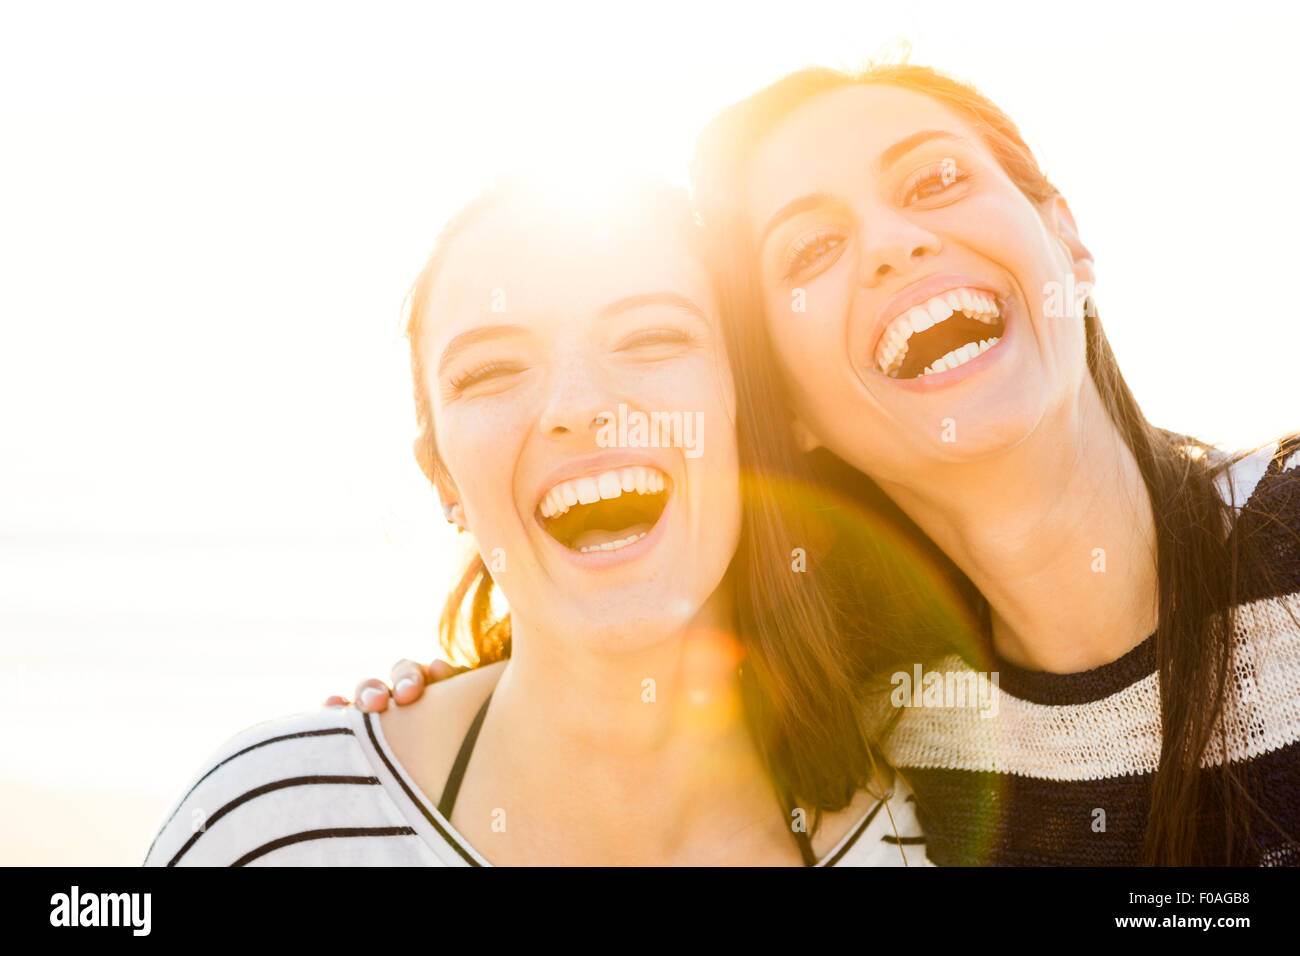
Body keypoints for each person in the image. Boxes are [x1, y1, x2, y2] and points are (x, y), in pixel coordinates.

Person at [347, 62, 1300, 866]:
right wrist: (407, 733)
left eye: (933, 182)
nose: (895, 244)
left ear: (1067, 237)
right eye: (812, 249)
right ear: (789, 409)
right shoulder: (887, 736)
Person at [143, 179, 928, 867]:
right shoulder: (271, 828)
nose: (580, 407)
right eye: (490, 371)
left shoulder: (924, 832)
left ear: (750, 414)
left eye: (652, 337)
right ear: (442, 475)